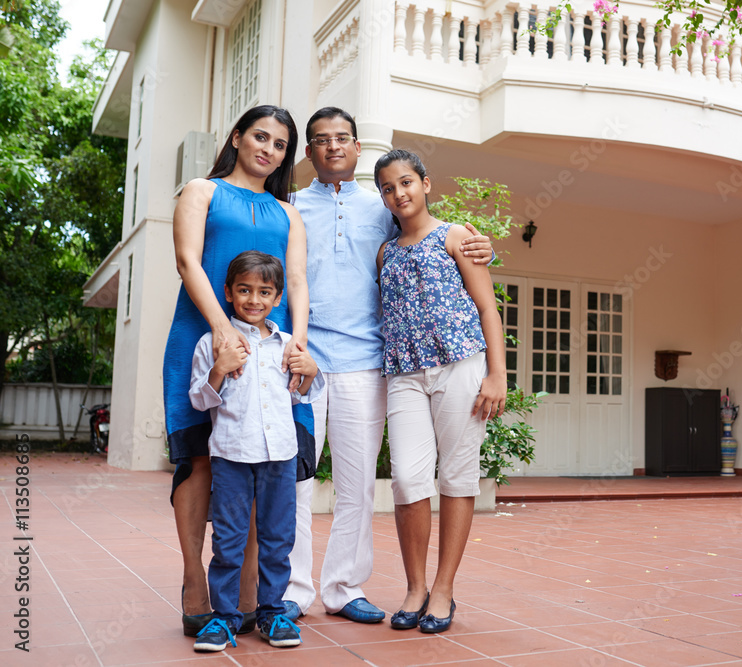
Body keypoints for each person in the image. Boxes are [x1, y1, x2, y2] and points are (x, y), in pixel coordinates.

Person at [283, 108, 494, 623]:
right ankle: (291, 590)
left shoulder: (381, 209)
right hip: (303, 360)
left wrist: (479, 243)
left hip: (365, 361)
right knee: (296, 481)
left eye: (342, 139)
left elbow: (433, 236)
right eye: (320, 141)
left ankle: (344, 586)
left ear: (356, 148)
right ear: (308, 152)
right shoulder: (288, 207)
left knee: (357, 484)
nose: (332, 147)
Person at [163, 105, 315, 637]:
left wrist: (298, 342)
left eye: (279, 144)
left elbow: (296, 281)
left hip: (269, 350)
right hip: (200, 337)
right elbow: (188, 262)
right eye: (260, 137)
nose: (268, 149)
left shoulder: (288, 212)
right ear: (237, 137)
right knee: (201, 460)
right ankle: (193, 583)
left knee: (259, 457)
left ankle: (252, 592)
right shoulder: (201, 191)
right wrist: (221, 330)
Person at [374, 149, 506, 633]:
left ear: (426, 184)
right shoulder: (386, 251)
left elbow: (487, 308)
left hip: (460, 367)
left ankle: (444, 590)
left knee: (456, 476)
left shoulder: (456, 236)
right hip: (405, 374)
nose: (398, 193)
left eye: (406, 182)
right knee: (408, 480)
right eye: (388, 188)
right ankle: (415, 586)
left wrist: (498, 374)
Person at [188, 251, 322, 652]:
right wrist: (219, 367)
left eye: (264, 292)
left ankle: (272, 612)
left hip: (279, 455)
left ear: (278, 298)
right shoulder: (213, 343)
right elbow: (199, 399)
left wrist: (311, 372)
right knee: (229, 540)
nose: (253, 299)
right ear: (228, 293)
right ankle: (225, 618)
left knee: (278, 539)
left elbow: (302, 395)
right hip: (231, 455)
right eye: (244, 290)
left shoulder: (287, 346)